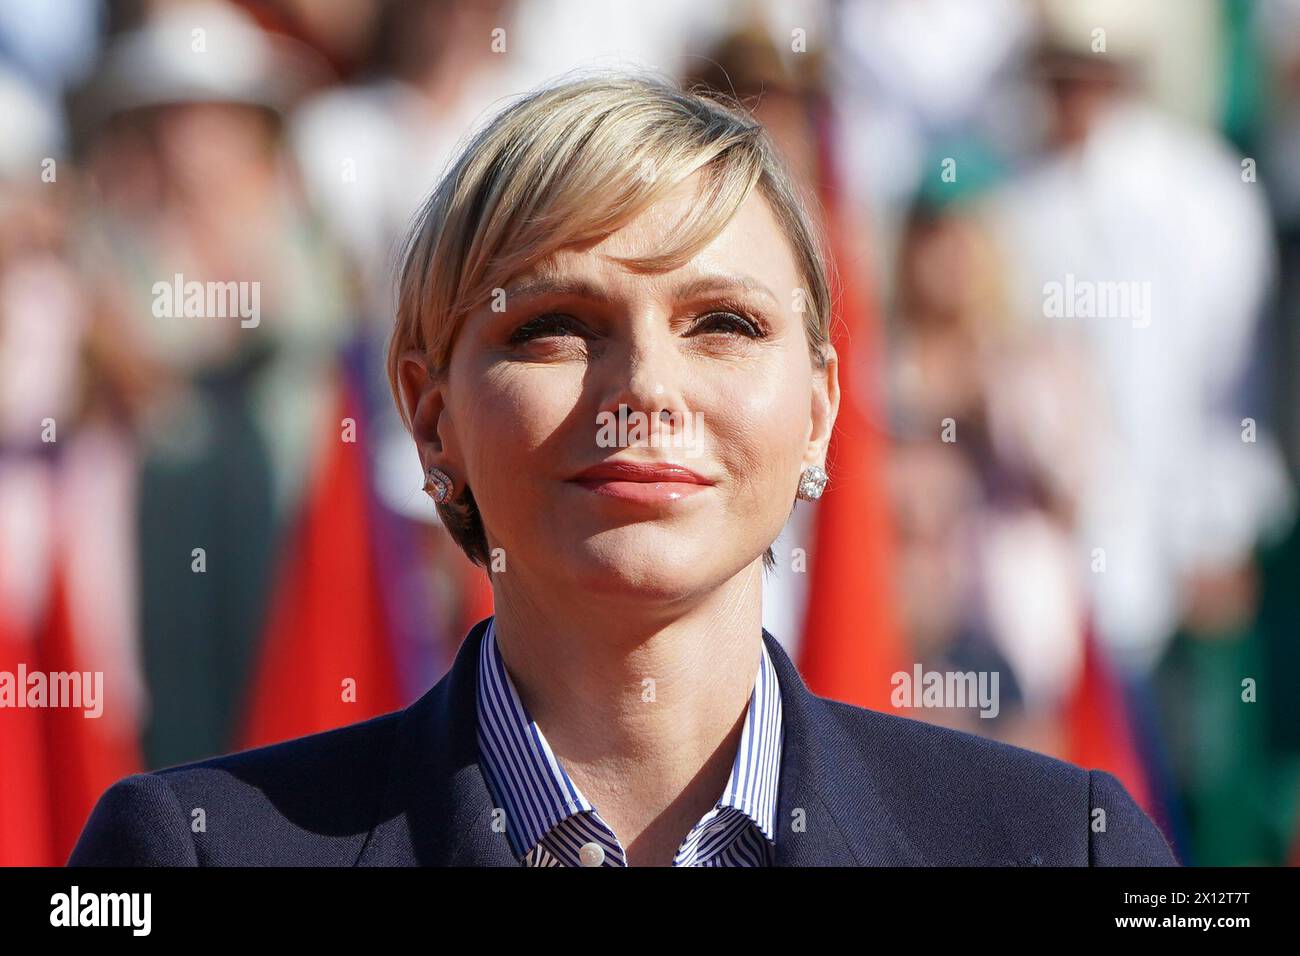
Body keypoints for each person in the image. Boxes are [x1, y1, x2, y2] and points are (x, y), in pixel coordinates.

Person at [68, 73, 1177, 867]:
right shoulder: (189, 852)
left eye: (725, 323)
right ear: (429, 414)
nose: (645, 384)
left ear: (822, 411)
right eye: (553, 325)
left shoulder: (1055, 845)